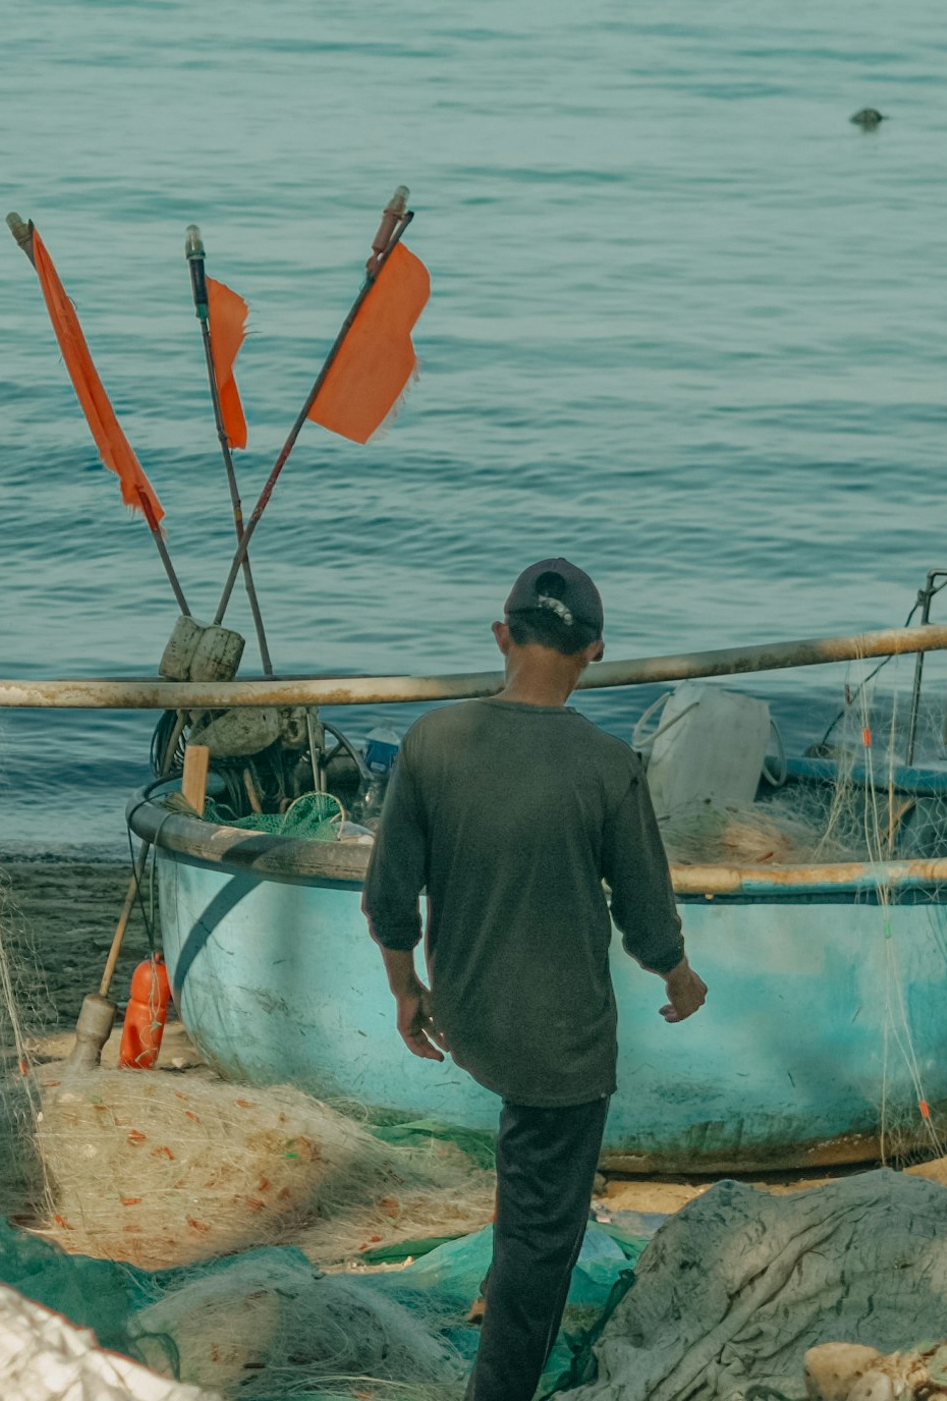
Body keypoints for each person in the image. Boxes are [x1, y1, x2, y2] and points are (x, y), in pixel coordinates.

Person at [361, 559, 708, 1401]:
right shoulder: (606, 764)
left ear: (502, 635)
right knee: (540, 1229)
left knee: (523, 1176)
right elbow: (645, 913)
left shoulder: (433, 742)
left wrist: (407, 989)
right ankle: (502, 1387)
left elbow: (388, 893)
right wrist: (680, 976)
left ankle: (500, 1304)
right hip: (560, 1043)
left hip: (469, 1017)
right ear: (593, 652)